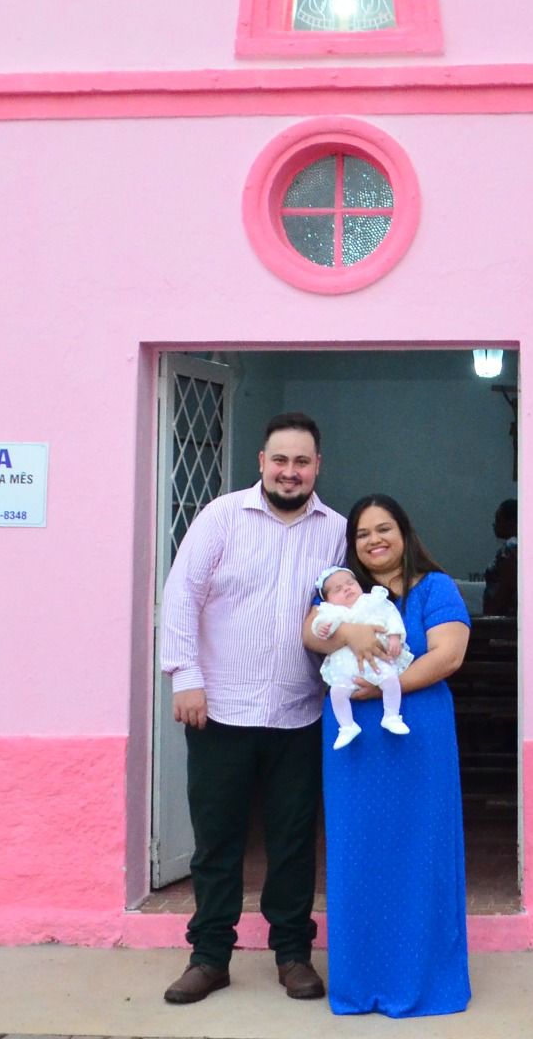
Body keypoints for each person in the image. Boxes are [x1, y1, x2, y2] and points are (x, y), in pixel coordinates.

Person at [158, 413, 383, 1006]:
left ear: (318, 467)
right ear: (261, 462)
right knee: (217, 842)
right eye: (280, 460)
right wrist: (185, 677)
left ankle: (293, 955)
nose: (290, 471)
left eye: (302, 461)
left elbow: (354, 611)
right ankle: (209, 957)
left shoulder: (336, 532)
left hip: (300, 712)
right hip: (220, 709)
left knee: (291, 842)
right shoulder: (222, 517)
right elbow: (182, 591)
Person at [305, 493, 473, 1017]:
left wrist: (384, 688)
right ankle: (361, 984)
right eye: (362, 534)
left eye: (384, 529)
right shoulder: (340, 596)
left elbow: (449, 654)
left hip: (417, 737)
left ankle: (425, 982)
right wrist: (349, 630)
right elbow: (309, 632)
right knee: (359, 854)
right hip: (353, 748)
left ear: (404, 533)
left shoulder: (434, 589)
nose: (374, 541)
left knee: (421, 852)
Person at [311, 565, 413, 747]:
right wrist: (322, 628)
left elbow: (392, 617)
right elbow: (318, 628)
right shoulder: (331, 612)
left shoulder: (373, 601)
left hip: (378, 660)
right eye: (338, 589)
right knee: (337, 692)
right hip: (346, 666)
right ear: (327, 600)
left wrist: (395, 636)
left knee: (390, 679)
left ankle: (392, 715)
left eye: (350, 583)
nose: (347, 588)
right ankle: (346, 726)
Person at [482, 496, 518, 617]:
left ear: (511, 522)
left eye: (498, 520)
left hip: (503, 616)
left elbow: (507, 585)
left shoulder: (510, 548)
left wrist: (492, 613)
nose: (494, 525)